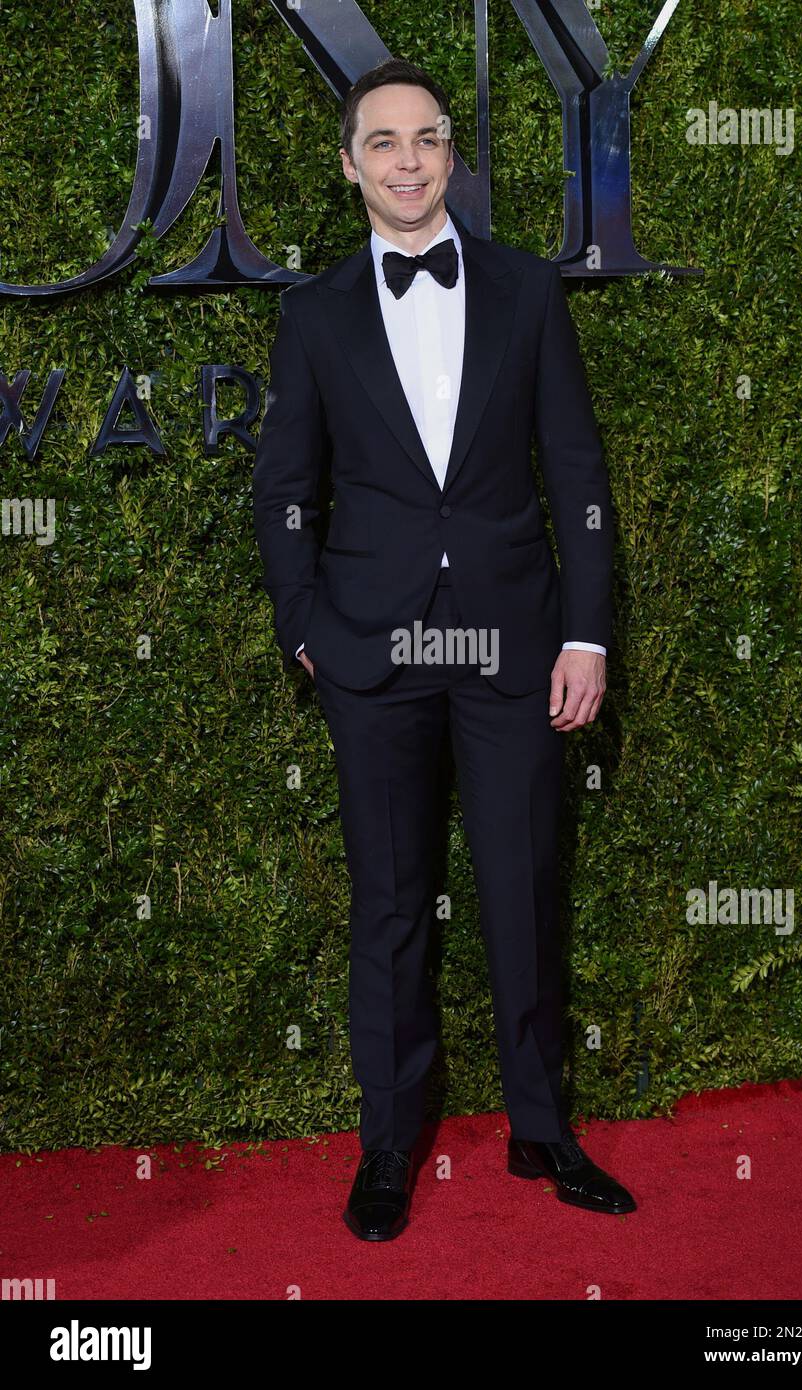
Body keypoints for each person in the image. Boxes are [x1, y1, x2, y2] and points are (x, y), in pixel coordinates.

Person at [252, 57, 636, 1241]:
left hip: (513, 644)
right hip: (371, 651)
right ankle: (388, 1142)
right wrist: (307, 628)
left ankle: (539, 1127)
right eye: (384, 143)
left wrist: (585, 630)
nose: (408, 161)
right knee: (391, 905)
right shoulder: (312, 314)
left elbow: (576, 477)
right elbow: (283, 492)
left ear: (450, 154)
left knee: (522, 890)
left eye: (427, 139)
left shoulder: (525, 292)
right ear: (351, 162)